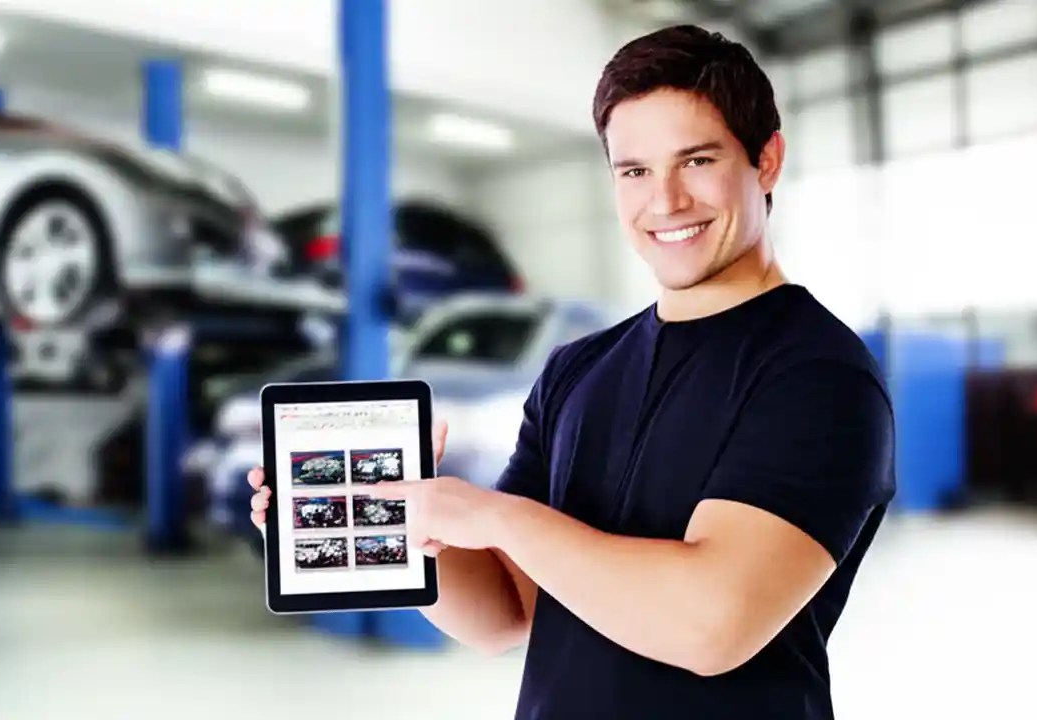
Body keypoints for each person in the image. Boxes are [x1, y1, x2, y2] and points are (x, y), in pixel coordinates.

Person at [249, 24, 894, 720]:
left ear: (766, 160)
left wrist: (494, 515)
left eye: (697, 160)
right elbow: (503, 613)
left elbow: (712, 626)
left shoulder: (819, 373)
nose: (666, 200)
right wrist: (399, 525)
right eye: (634, 170)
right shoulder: (577, 370)